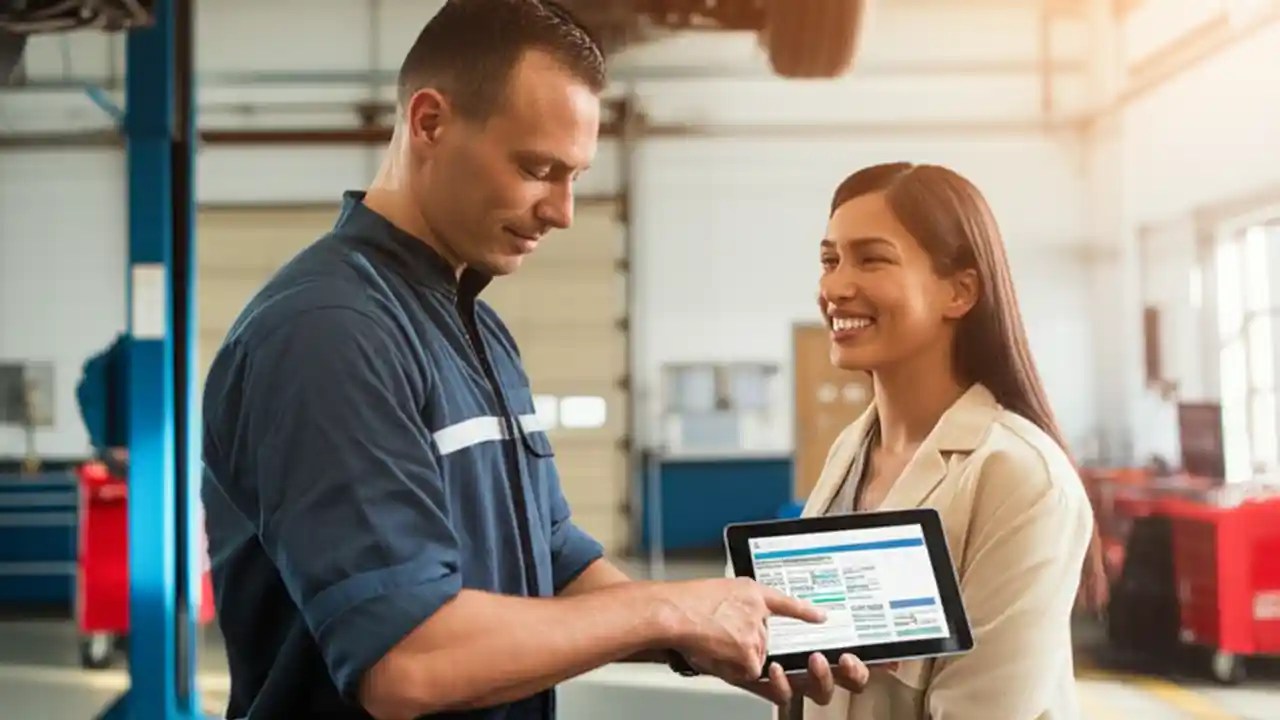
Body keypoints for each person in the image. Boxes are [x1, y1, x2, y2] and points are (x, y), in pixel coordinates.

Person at [199, 2, 868, 719]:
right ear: (429, 122)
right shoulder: (328, 333)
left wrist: (713, 631)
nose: (563, 211)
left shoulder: (476, 328)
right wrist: (669, 612)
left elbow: (550, 558)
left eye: (575, 175)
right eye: (537, 168)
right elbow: (409, 660)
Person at [788, 162, 1103, 719]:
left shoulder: (1019, 477)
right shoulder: (853, 451)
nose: (834, 287)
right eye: (829, 260)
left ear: (959, 292)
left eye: (872, 259)